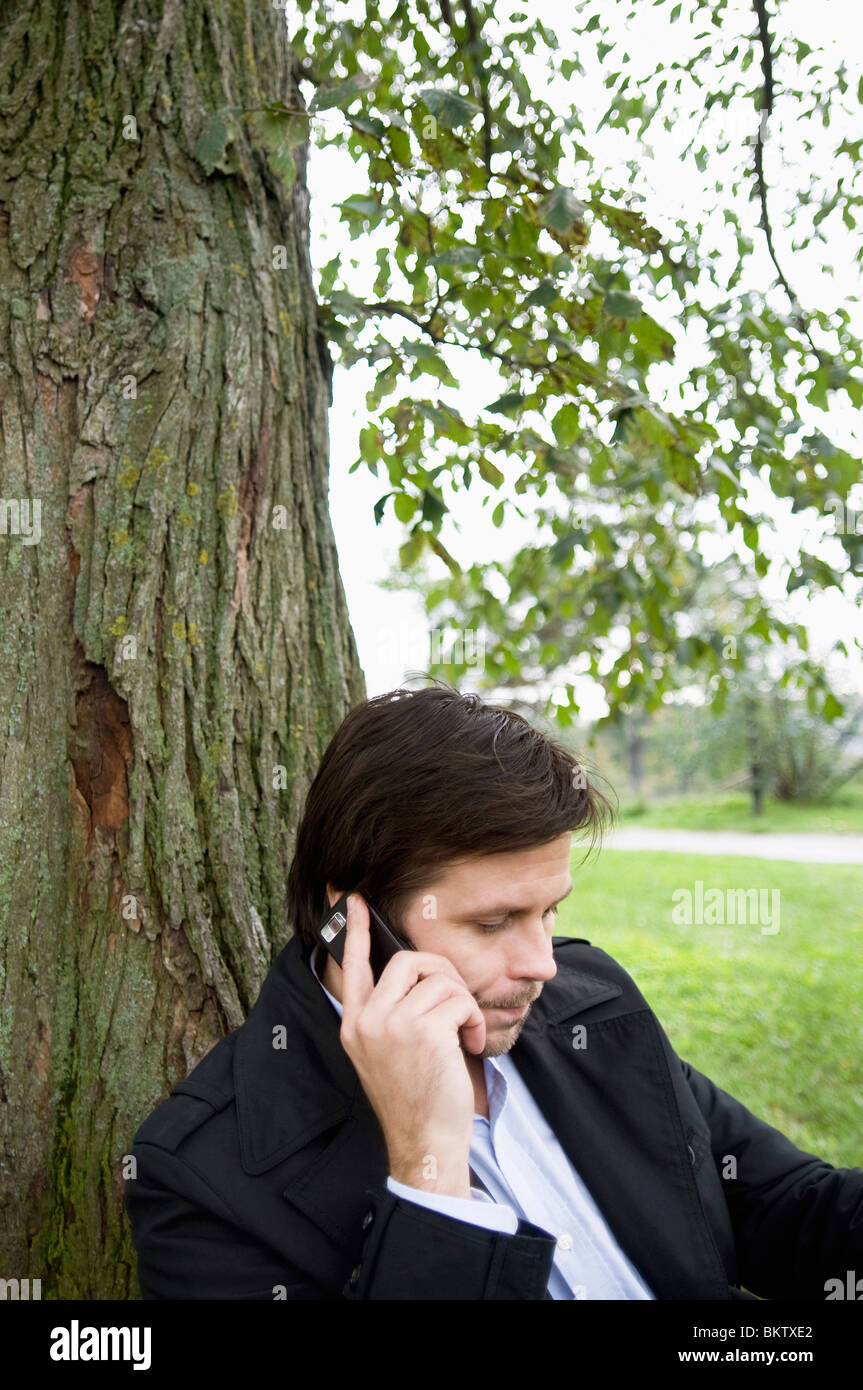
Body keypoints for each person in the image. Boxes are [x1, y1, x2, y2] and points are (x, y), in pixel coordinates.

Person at [125, 682, 863, 1299]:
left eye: (548, 912)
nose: (543, 964)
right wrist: (428, 1173)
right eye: (491, 922)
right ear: (353, 921)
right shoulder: (206, 1176)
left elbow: (794, 1211)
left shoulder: (589, 1003)